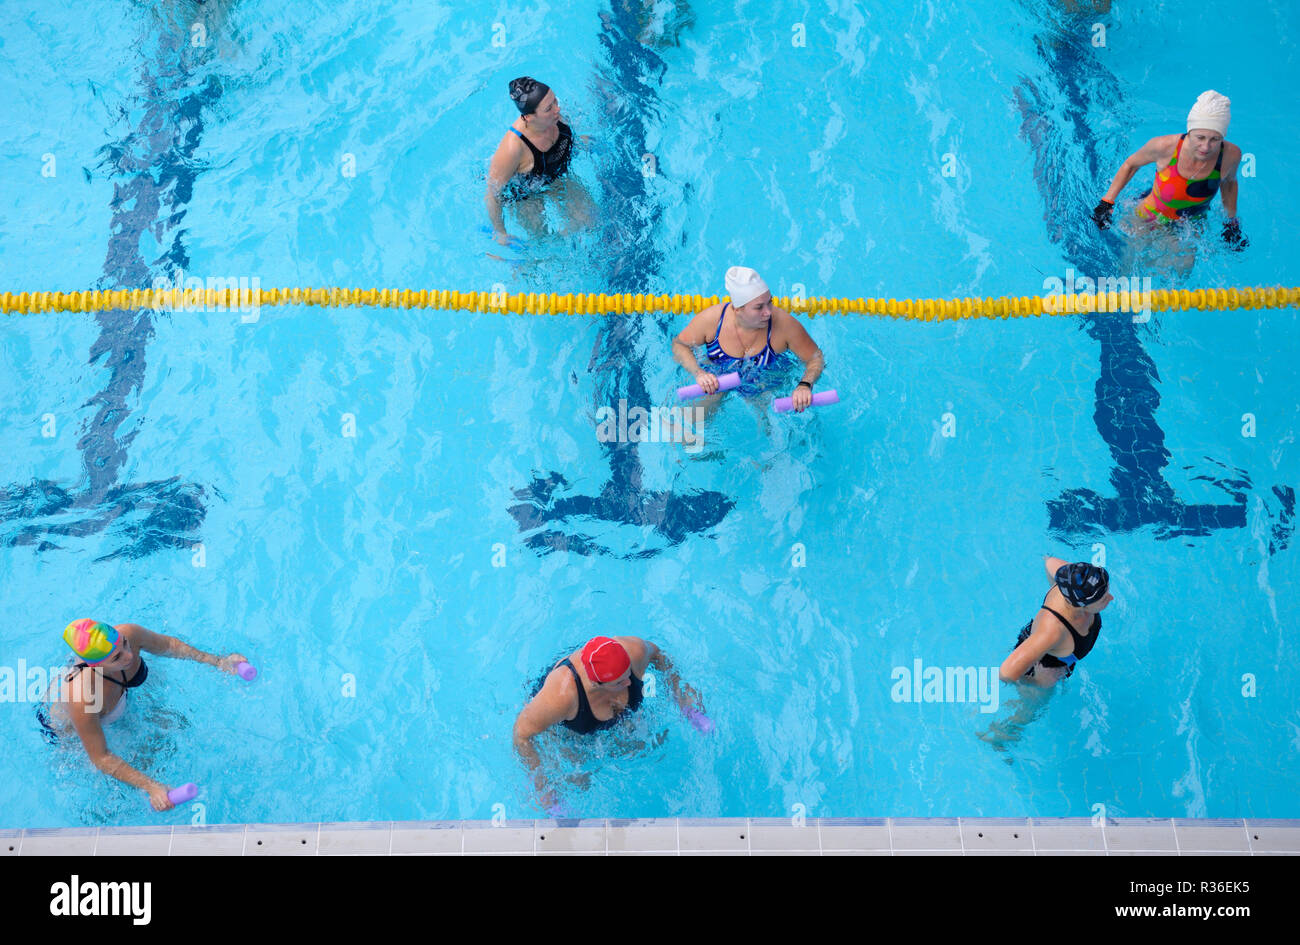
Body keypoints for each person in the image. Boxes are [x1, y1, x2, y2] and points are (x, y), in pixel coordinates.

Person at [37, 618, 248, 810]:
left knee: (177, 726)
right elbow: (100, 758)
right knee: (121, 789)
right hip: (68, 730)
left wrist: (218, 661)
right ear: (95, 665)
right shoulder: (83, 697)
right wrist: (151, 786)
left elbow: (170, 646)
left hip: (113, 698)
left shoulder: (128, 634)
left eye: (125, 645)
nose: (129, 655)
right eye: (117, 657)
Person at [513, 636, 707, 808]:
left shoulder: (633, 652)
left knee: (650, 747)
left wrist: (682, 699)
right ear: (596, 684)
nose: (629, 683)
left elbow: (660, 656)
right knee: (581, 779)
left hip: (603, 695)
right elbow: (521, 735)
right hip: (566, 728)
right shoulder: (561, 696)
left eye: (628, 676)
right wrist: (542, 785)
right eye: (620, 682)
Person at [1091, 90, 1246, 251]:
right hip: (1150, 215)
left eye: (1215, 139)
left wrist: (1231, 222)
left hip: (1191, 224)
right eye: (1200, 137)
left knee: (1182, 272)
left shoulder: (1231, 155)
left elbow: (1229, 183)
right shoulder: (1165, 147)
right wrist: (1106, 202)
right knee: (1130, 262)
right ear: (1189, 131)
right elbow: (1130, 165)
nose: (1206, 147)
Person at [671, 266, 826, 409]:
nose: (768, 312)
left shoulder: (784, 325)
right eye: (759, 307)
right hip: (718, 377)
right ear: (737, 309)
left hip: (767, 381)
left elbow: (815, 358)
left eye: (769, 302)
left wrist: (805, 385)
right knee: (690, 420)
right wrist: (699, 373)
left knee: (776, 429)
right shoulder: (711, 321)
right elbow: (679, 344)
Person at [485, 76, 586, 245]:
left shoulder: (555, 116)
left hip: (553, 177)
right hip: (525, 195)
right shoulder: (513, 149)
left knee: (589, 219)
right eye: (548, 108)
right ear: (529, 118)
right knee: (545, 244)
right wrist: (500, 233)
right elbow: (492, 194)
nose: (557, 109)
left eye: (555, 100)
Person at [1000, 559, 1112, 687]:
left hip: (1054, 648)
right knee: (1033, 705)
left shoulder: (1071, 579)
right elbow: (1005, 673)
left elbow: (1049, 561)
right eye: (1103, 599)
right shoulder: (1053, 631)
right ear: (1081, 605)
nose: (1111, 598)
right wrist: (1038, 683)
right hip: (1042, 666)